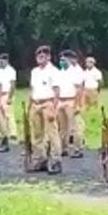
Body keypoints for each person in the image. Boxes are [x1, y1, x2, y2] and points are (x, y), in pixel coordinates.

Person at [27, 45, 62, 174]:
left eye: (43, 55)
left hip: (48, 103)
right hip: (36, 103)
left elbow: (57, 91)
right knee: (37, 134)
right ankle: (39, 159)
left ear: (49, 57)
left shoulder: (53, 71)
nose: (40, 58)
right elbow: (32, 89)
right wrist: (29, 105)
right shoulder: (34, 72)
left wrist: (54, 108)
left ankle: (55, 160)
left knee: (52, 134)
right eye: (38, 56)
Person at [55, 50, 85, 158]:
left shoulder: (76, 72)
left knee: (75, 126)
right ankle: (64, 148)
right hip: (61, 101)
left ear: (70, 60)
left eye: (64, 59)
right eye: (61, 59)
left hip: (71, 100)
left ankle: (78, 148)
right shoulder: (60, 72)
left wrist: (77, 105)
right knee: (62, 128)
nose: (62, 62)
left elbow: (79, 89)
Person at [0, 54, 19, 141]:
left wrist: (10, 97)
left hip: (7, 94)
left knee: (9, 114)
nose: (1, 62)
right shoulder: (0, 70)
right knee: (1, 115)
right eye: (0, 60)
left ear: (7, 61)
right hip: (0, 94)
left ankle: (13, 132)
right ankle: (4, 132)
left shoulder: (11, 70)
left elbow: (13, 85)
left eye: (3, 60)